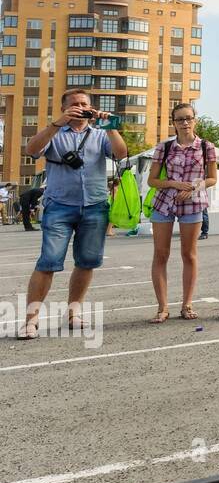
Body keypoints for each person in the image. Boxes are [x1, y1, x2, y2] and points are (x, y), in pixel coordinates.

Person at [16, 89, 128, 339]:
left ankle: (73, 313)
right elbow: (32, 150)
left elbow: (121, 154)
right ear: (64, 108)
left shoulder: (99, 135)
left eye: (84, 104)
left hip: (95, 206)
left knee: (86, 262)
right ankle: (30, 320)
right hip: (59, 206)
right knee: (48, 262)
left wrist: (110, 126)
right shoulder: (55, 133)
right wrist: (58, 123)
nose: (80, 108)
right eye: (74, 105)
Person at [145, 103, 218, 322]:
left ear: (195, 119)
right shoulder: (164, 147)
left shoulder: (206, 147)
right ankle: (162, 307)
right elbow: (152, 180)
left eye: (188, 118)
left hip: (193, 204)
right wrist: (175, 184)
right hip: (164, 203)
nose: (184, 123)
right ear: (173, 123)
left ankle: (187, 304)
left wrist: (194, 187)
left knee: (189, 253)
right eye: (179, 119)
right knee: (161, 254)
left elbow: (212, 178)